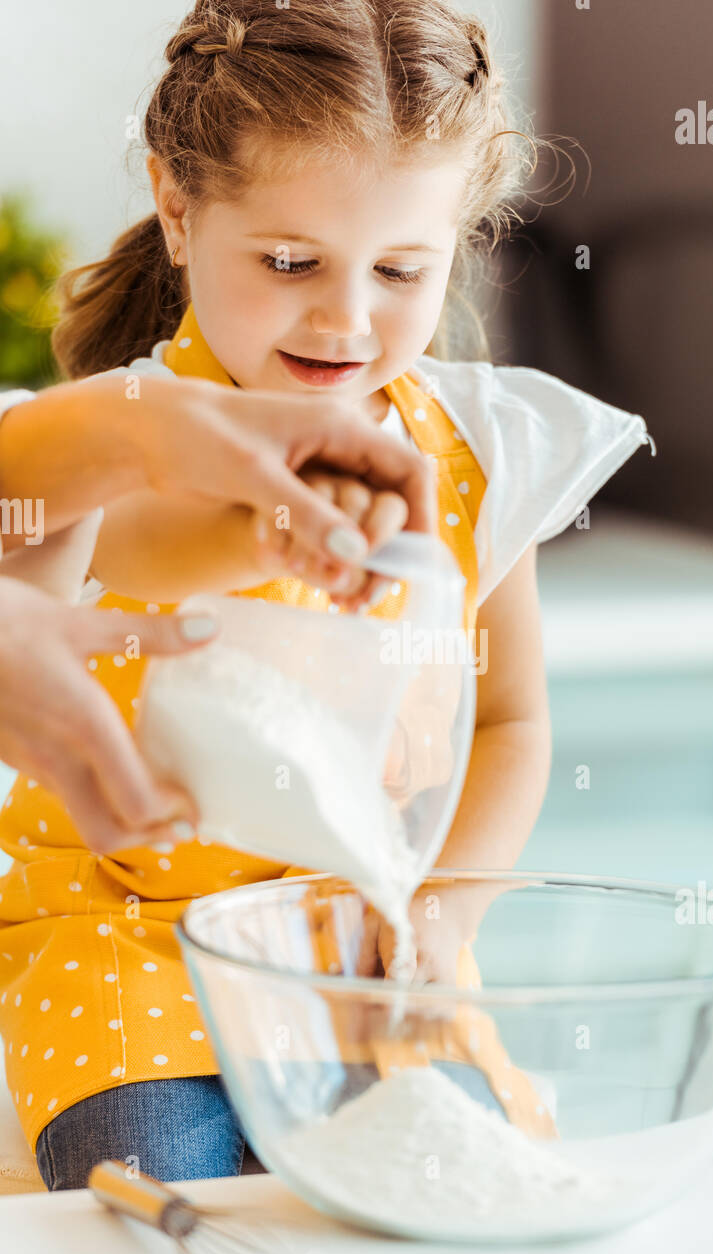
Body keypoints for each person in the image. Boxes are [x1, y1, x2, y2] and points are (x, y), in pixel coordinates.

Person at [0, 0, 653, 1189]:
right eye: (291, 263)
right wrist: (255, 517)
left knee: (443, 1204)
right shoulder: (118, 441)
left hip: (363, 956)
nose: (347, 319)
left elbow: (510, 721)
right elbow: (94, 539)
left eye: (404, 267)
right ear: (179, 206)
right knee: (176, 1207)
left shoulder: (476, 452)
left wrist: (444, 921)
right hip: (130, 949)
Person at [0, 369, 437, 847]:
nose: (343, 319)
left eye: (398, 284)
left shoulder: (472, 436)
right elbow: (128, 541)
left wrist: (148, 426)